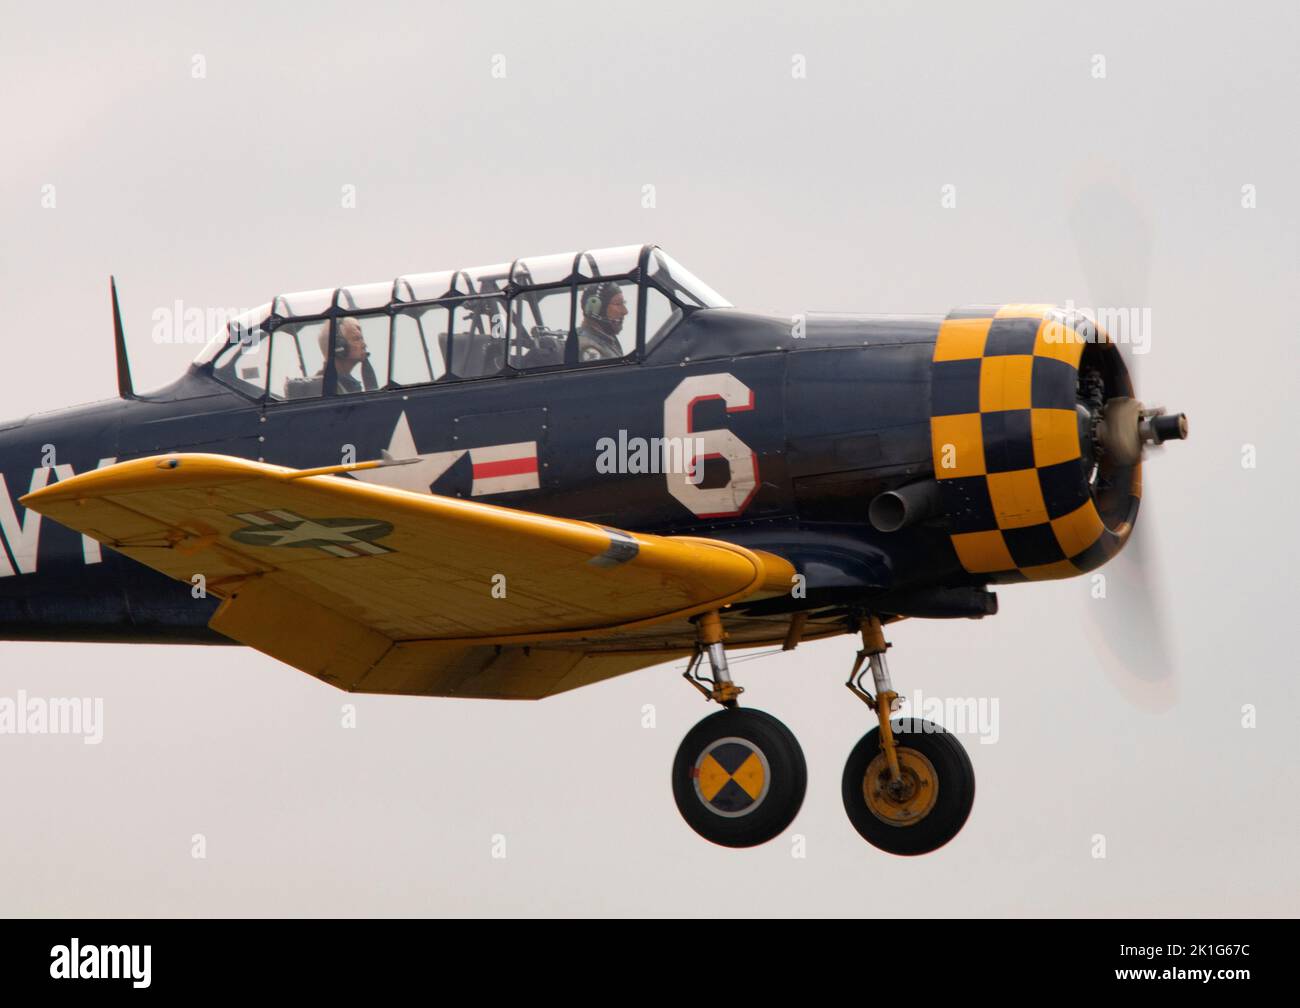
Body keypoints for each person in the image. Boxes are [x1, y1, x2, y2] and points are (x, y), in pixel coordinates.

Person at [316, 317, 370, 394]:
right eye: (356, 339)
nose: (364, 345)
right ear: (339, 346)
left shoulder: (346, 385)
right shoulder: (323, 388)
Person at [576, 282, 629, 361]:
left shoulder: (607, 340)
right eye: (618, 304)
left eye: (623, 303)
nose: (625, 311)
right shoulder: (588, 347)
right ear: (596, 309)